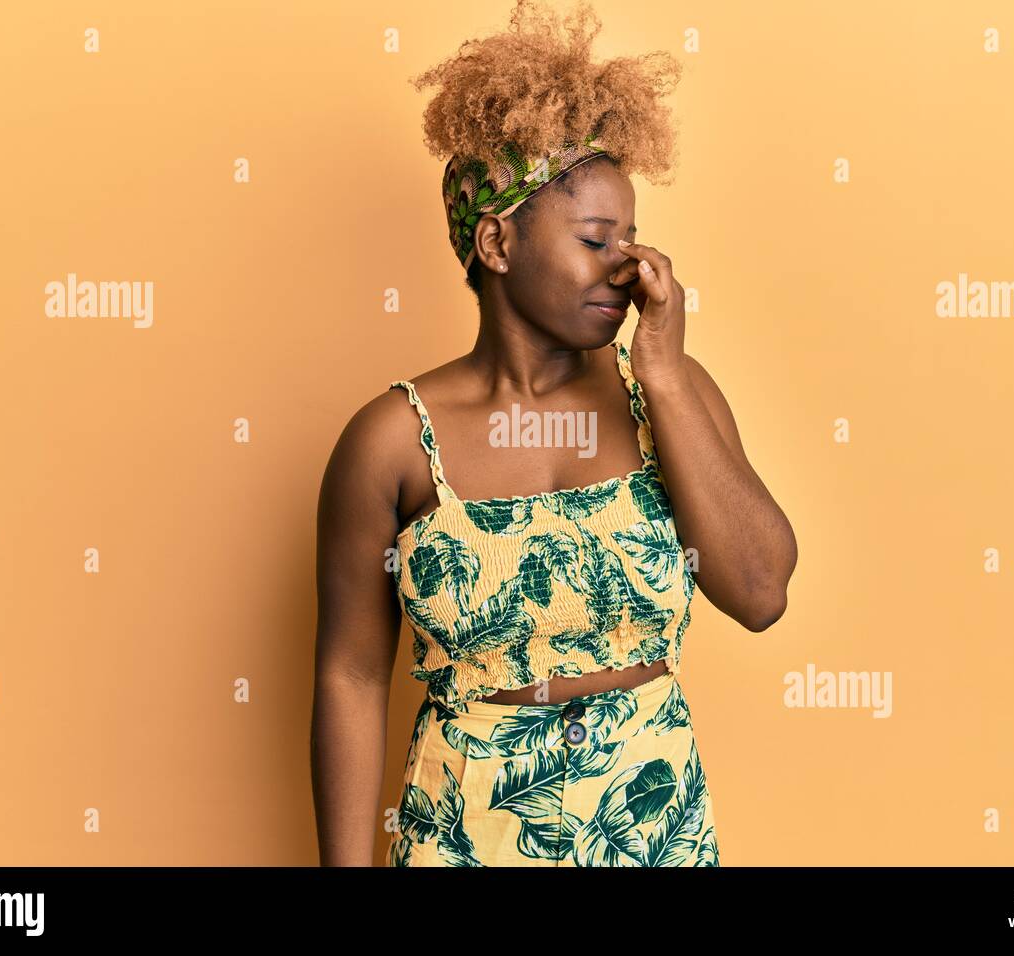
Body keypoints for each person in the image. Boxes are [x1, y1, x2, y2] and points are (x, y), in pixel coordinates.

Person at [312, 0, 797, 866]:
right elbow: (349, 677)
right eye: (595, 238)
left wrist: (664, 376)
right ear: (497, 243)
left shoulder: (669, 393)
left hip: (653, 834)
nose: (631, 266)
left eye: (634, 237)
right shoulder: (389, 442)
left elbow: (760, 593)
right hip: (463, 841)